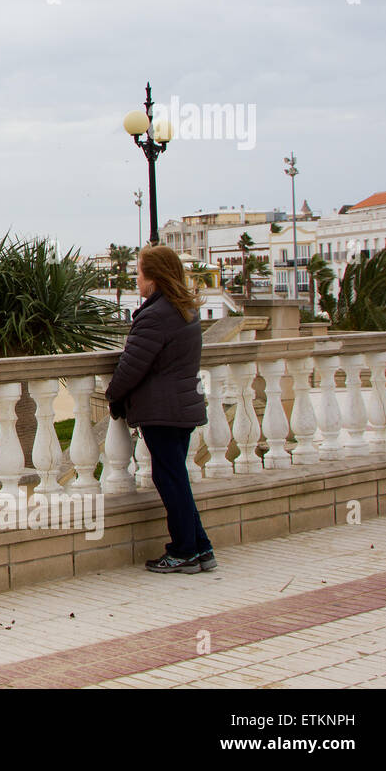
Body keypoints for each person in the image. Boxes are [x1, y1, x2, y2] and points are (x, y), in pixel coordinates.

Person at [105, 244, 215, 574]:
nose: (136, 280)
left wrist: (113, 395)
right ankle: (201, 547)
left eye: (139, 273)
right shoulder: (184, 311)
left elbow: (131, 367)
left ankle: (184, 551)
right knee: (176, 477)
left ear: (152, 278)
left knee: (170, 479)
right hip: (182, 407)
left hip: (162, 411)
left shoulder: (154, 316)